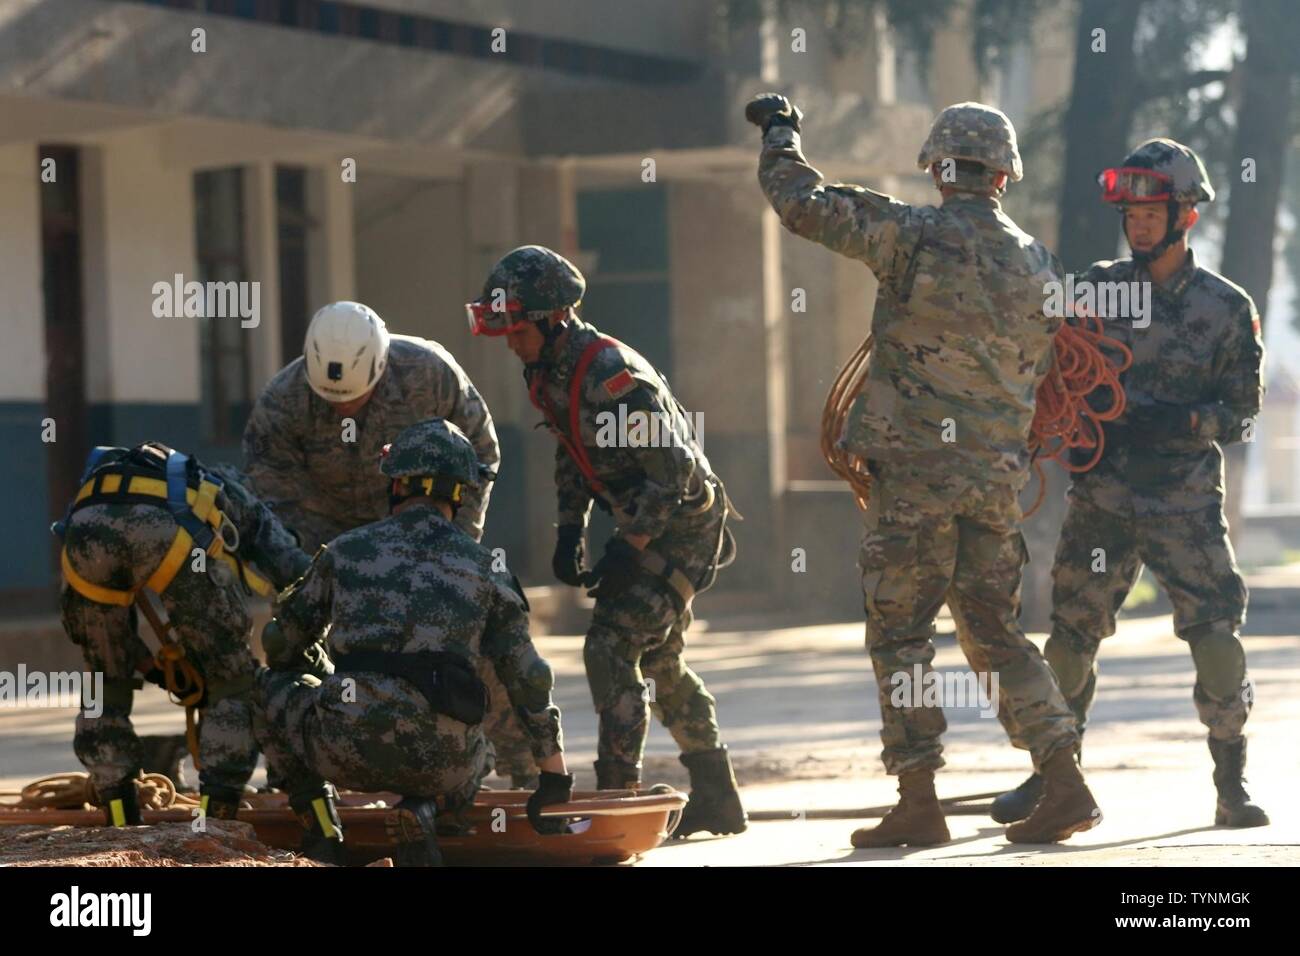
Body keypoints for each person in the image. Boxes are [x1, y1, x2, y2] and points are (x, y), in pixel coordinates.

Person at [747, 94, 1098, 844]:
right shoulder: (1040, 263)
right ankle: (1064, 780)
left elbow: (801, 203)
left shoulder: (911, 233)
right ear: (1004, 176)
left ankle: (918, 799)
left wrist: (781, 134)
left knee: (901, 632)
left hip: (916, 478)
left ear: (940, 169)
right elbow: (1042, 369)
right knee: (995, 634)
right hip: (995, 482)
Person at [990, 139, 1268, 829]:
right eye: (1131, 213)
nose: (1138, 224)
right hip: (1103, 498)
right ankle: (1053, 775)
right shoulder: (1092, 291)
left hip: (1185, 502)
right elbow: (1041, 359)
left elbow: (1242, 414)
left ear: (1186, 216)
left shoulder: (1226, 308)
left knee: (1214, 635)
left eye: (1152, 211)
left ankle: (1231, 783)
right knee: (1071, 637)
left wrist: (1179, 420)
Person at [467, 245, 747, 838]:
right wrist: (570, 527)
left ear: (552, 318)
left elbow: (674, 473)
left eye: (518, 330)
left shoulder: (612, 377)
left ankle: (618, 801)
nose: (511, 344)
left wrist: (631, 543)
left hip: (685, 526)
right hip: (644, 521)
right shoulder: (548, 373)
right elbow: (575, 452)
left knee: (611, 648)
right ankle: (718, 793)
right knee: (661, 661)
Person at [243, 300, 537, 787]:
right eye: (331, 401)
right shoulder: (283, 399)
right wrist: (309, 566)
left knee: (476, 641)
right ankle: (303, 782)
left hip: (425, 526)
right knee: (296, 646)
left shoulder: (430, 372)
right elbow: (269, 483)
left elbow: (480, 454)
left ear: (380, 366)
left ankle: (520, 769)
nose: (343, 408)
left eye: (353, 399)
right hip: (329, 541)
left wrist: (454, 542)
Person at [256, 419, 569, 865]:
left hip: (342, 748)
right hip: (442, 759)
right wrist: (553, 778)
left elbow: (279, 646)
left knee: (269, 686)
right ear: (459, 494)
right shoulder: (486, 567)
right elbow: (530, 678)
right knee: (481, 747)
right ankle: (427, 811)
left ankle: (322, 829)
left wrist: (325, 674)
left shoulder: (345, 551)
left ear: (397, 484)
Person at [54, 442, 310, 825]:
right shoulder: (232, 493)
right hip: (174, 540)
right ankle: (217, 816)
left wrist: (155, 670)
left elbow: (117, 641)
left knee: (105, 682)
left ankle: (120, 813)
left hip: (85, 539)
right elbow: (294, 571)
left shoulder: (119, 474)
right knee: (232, 683)